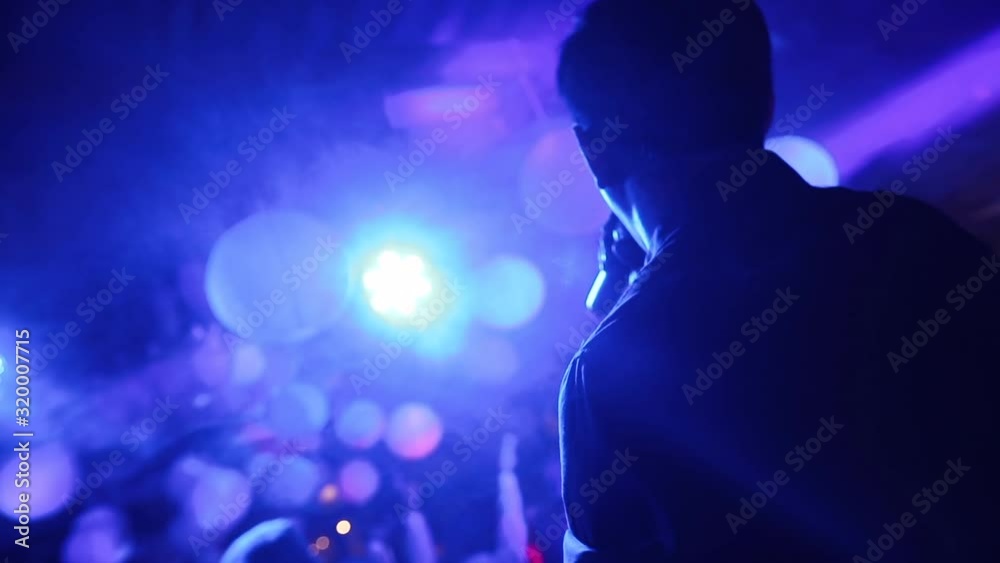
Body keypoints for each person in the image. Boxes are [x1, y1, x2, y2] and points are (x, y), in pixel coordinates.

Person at [556, 1, 999, 561]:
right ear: (763, 98)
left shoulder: (608, 374)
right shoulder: (918, 236)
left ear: (596, 151)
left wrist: (623, 329)